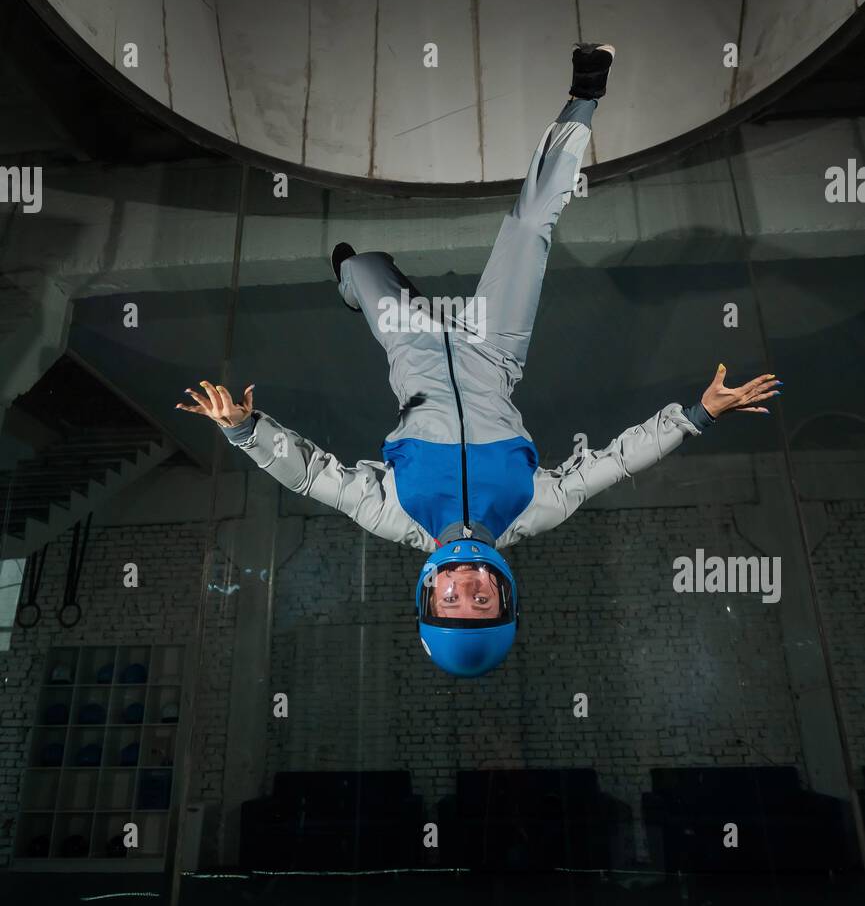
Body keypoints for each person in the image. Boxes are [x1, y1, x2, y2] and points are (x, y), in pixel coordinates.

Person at [177, 44, 781, 678]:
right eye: (482, 598)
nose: (466, 582)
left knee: (361, 265)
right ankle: (585, 97)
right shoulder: (531, 508)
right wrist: (696, 415)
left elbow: (309, 476)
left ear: (427, 592)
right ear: (504, 590)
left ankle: (353, 285)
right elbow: (619, 460)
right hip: (494, 347)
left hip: (411, 346)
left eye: (451, 598)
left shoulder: (392, 513)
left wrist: (246, 432)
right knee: (528, 228)